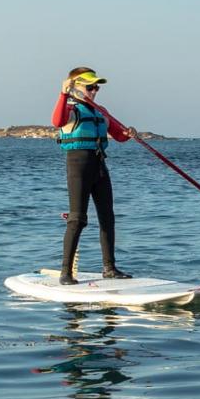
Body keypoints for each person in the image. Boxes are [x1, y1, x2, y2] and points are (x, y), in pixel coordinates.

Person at [51, 68, 134, 284]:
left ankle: (109, 268)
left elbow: (119, 135)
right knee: (77, 219)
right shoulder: (70, 109)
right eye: (90, 87)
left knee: (108, 216)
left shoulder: (101, 112)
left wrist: (128, 133)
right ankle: (65, 273)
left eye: (96, 87)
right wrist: (63, 93)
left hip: (99, 165)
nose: (95, 91)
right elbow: (57, 121)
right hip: (78, 165)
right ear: (75, 86)